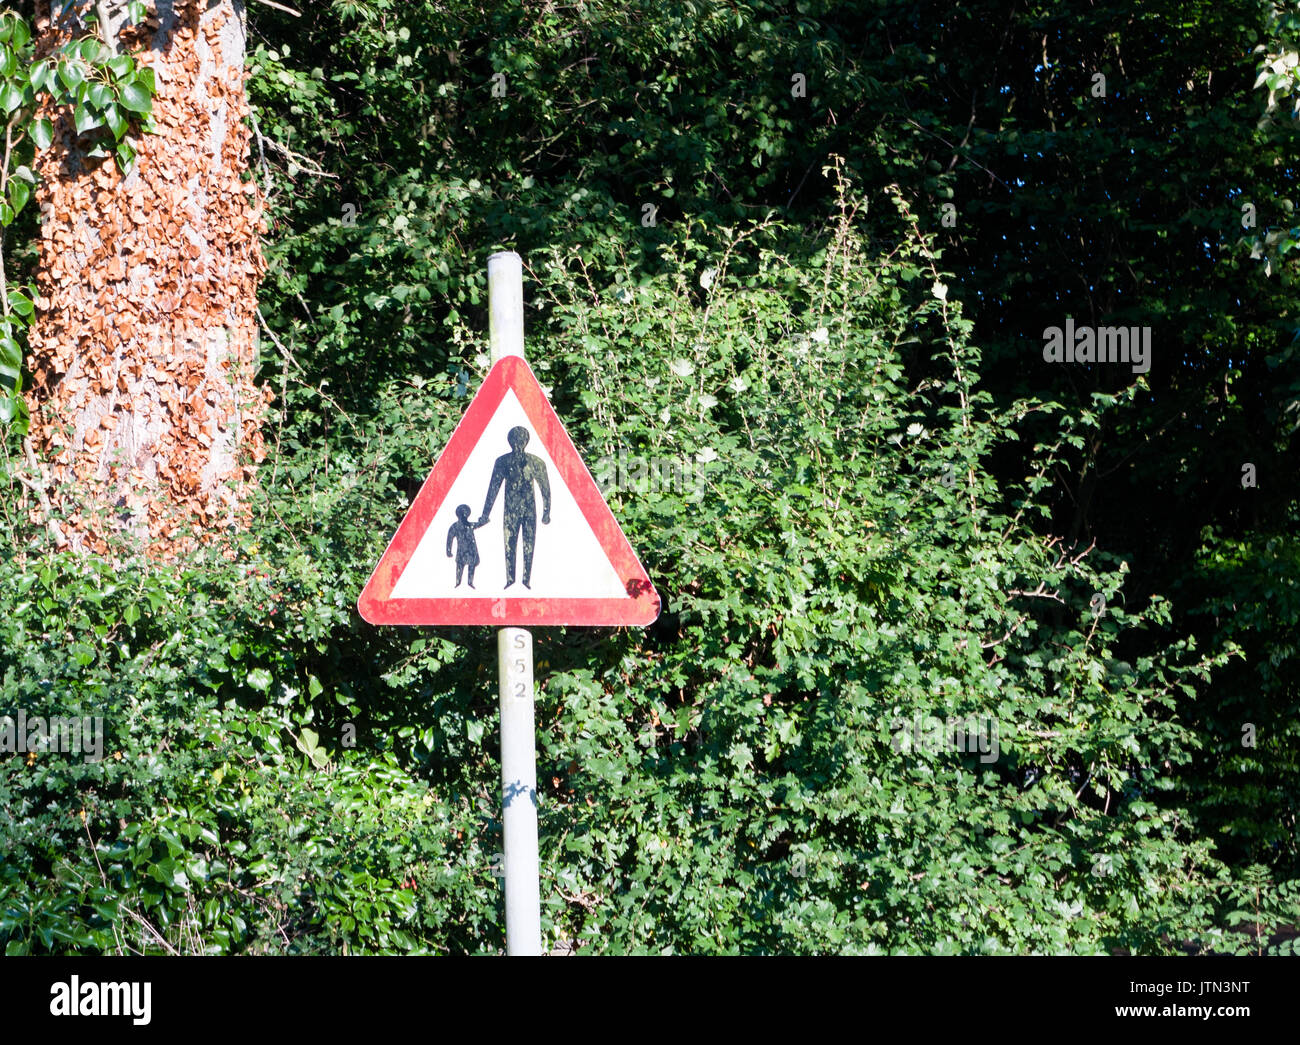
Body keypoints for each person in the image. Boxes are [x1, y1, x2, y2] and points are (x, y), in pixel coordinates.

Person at [477, 426, 550, 588]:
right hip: (510, 510)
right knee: (510, 543)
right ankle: (511, 579)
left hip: (528, 511)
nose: (517, 444)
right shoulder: (502, 462)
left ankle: (526, 580)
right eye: (515, 441)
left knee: (528, 544)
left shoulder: (536, 462)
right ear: (510, 442)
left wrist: (546, 512)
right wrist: (485, 514)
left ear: (526, 441)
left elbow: (545, 489)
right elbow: (493, 489)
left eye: (520, 441)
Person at [445, 504, 483, 588]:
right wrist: (448, 550)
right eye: (463, 513)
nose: (464, 515)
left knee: (471, 565)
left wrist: (484, 520)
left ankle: (470, 582)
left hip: (471, 549)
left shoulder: (470, 525)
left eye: (466, 513)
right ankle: (458, 582)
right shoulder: (455, 526)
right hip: (461, 550)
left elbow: (478, 524)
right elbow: (449, 538)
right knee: (460, 565)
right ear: (458, 514)